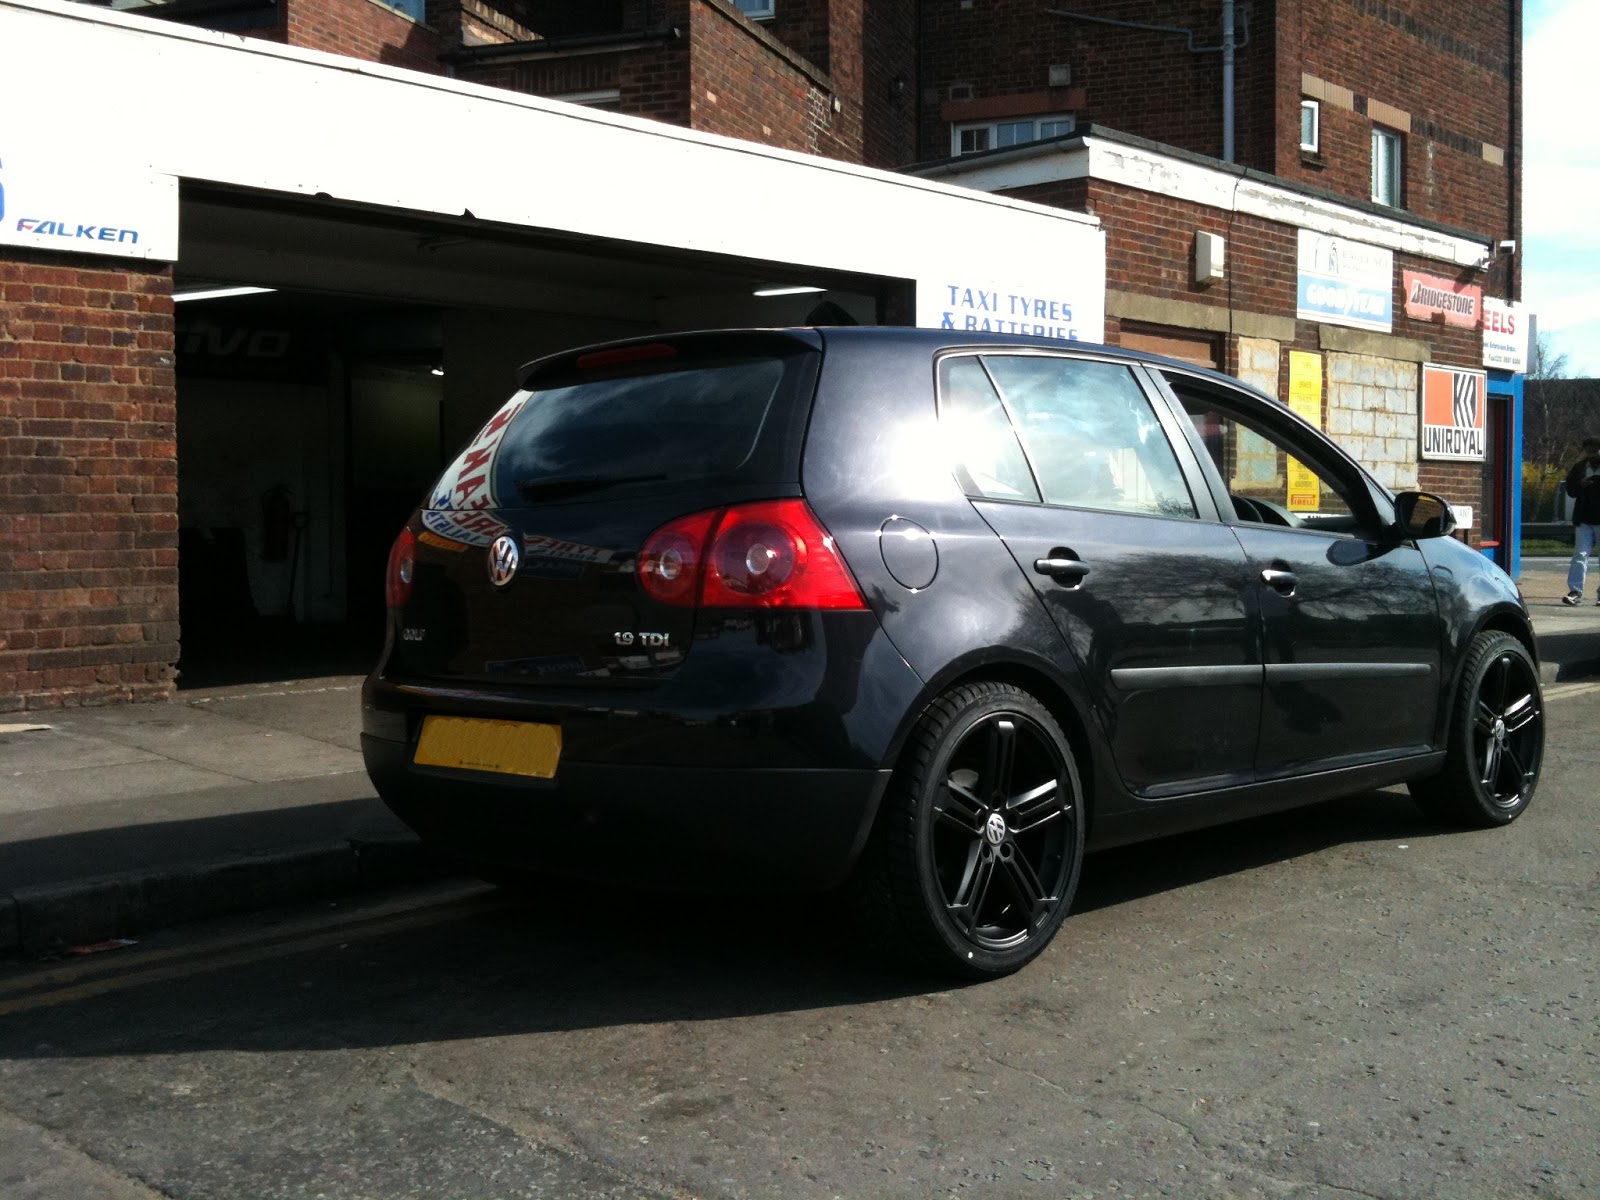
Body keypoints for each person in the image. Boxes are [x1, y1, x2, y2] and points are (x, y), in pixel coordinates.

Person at [1563, 437, 1600, 604]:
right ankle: (1575, 591)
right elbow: (1570, 489)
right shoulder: (1579, 468)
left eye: (1595, 450)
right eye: (1589, 451)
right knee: (1580, 554)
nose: (1592, 454)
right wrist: (1580, 485)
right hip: (1583, 517)